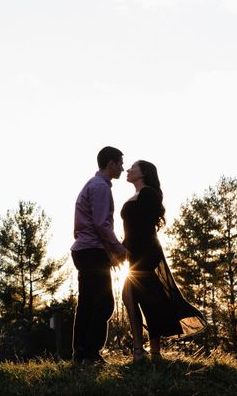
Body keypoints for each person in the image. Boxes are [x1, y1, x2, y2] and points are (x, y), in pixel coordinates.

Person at [121, 160, 206, 361]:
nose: (128, 170)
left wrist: (128, 248)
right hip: (135, 254)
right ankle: (151, 352)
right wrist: (121, 247)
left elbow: (144, 227)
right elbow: (132, 228)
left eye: (133, 167)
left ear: (143, 173)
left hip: (146, 252)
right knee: (145, 297)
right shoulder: (137, 195)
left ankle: (142, 351)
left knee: (132, 294)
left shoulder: (149, 193)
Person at [70, 146, 128, 364]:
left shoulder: (93, 185)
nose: (123, 168)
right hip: (91, 250)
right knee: (104, 303)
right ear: (110, 163)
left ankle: (81, 353)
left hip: (86, 250)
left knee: (87, 301)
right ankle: (90, 353)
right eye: (120, 163)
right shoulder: (100, 187)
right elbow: (101, 224)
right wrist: (118, 249)